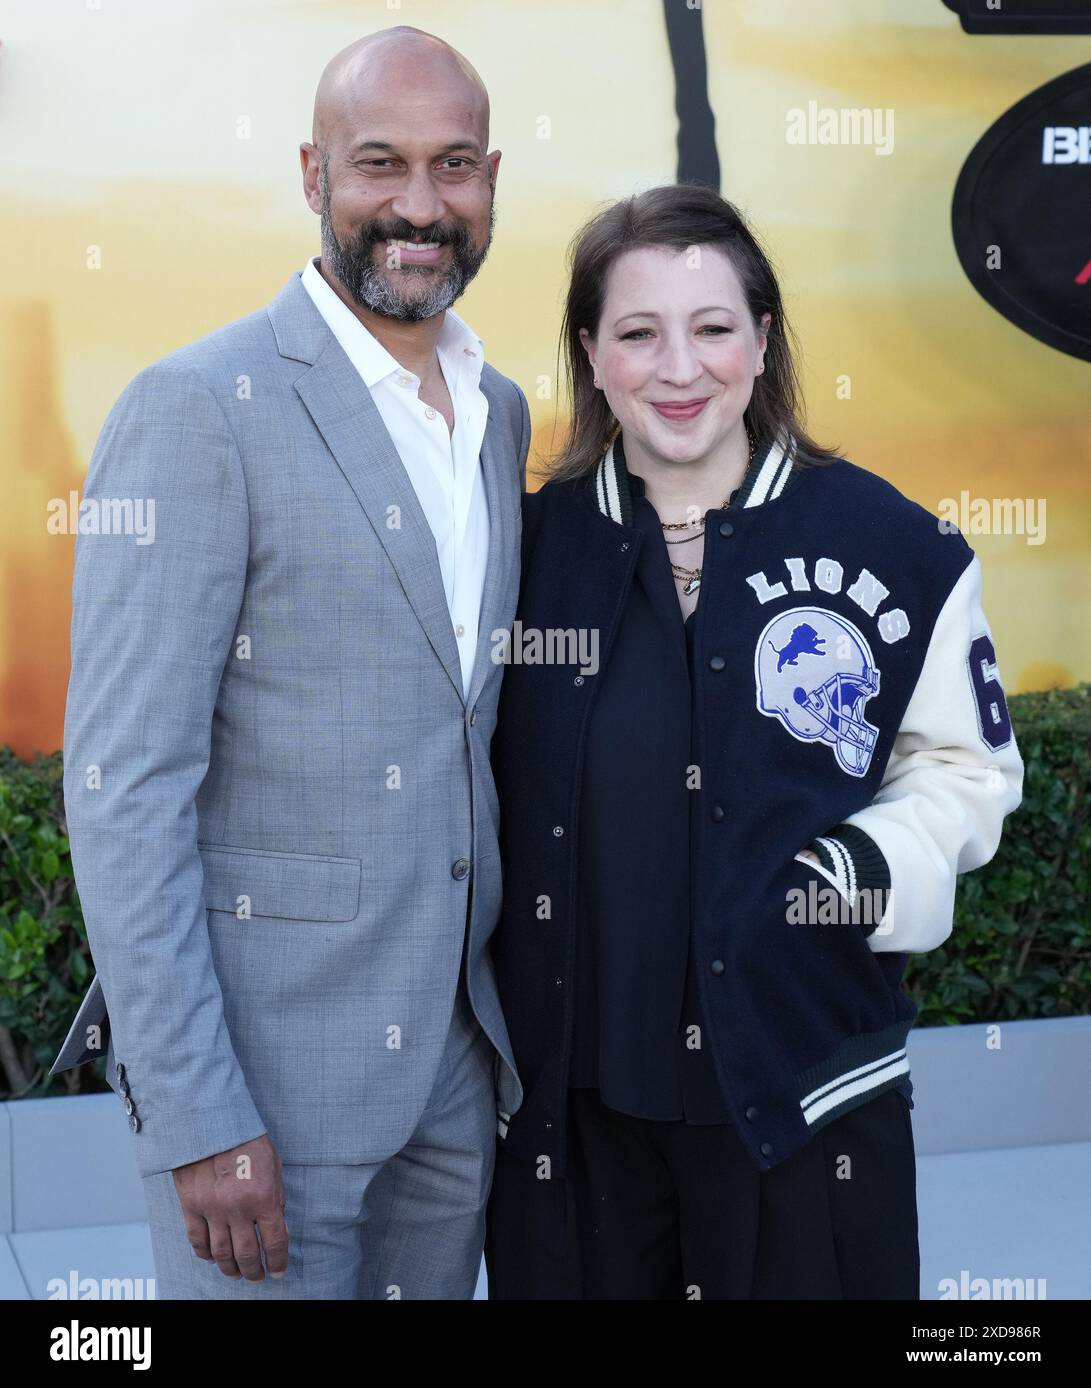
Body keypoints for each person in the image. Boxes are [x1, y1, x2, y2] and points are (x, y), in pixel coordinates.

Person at [484, 182, 1024, 1300]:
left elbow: (967, 769)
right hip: (572, 1121)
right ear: (590, 353)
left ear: (762, 338)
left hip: (806, 1098)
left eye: (712, 328)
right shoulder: (524, 551)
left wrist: (856, 870)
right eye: (637, 333)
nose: (678, 368)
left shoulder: (892, 545)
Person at [53, 26, 528, 1300]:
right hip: (259, 1094)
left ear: (492, 181)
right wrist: (196, 1115)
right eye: (379, 164)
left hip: (452, 1070)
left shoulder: (500, 414)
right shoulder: (197, 408)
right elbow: (123, 786)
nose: (419, 206)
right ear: (312, 174)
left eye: (453, 166)